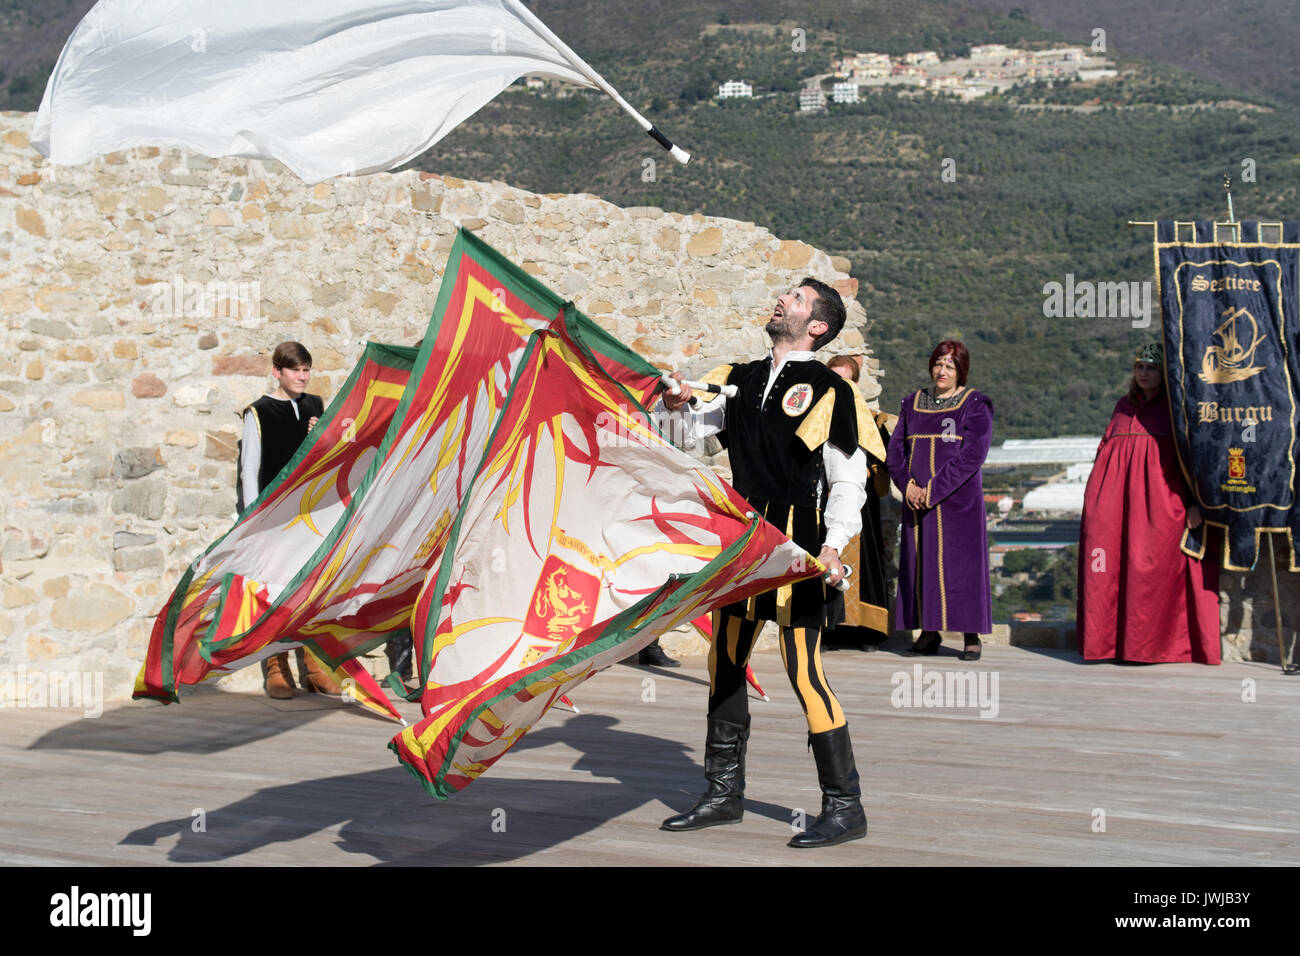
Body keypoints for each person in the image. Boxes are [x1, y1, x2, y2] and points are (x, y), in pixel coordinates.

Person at [656, 277, 870, 848]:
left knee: (805, 672)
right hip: (743, 538)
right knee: (724, 664)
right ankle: (723, 795)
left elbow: (848, 476)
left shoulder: (829, 389)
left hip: (797, 543)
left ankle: (845, 807)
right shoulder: (738, 378)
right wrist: (674, 407)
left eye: (797, 299)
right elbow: (688, 435)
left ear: (817, 326)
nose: (783, 301)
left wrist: (832, 545)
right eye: (786, 295)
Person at [1077, 343, 1220, 663]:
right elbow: (1105, 454)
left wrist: (1196, 502)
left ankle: (1150, 648)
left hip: (1160, 508)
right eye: (1139, 366)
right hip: (1114, 508)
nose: (1143, 372)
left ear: (1164, 373)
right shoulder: (1122, 407)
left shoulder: (1176, 410)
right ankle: (1111, 645)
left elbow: (1193, 461)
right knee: (1108, 572)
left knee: (1148, 574)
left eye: (1151, 367)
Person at [237, 341, 342, 698]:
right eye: (295, 370)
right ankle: (276, 668)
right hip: (272, 520)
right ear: (277, 372)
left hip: (308, 516)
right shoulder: (258, 412)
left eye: (306, 370)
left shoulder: (315, 405)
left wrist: (321, 435)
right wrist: (252, 519)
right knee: (276, 592)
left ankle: (314, 667)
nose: (302, 376)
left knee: (310, 590)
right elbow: (249, 469)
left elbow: (327, 459)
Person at [885, 340, 993, 659]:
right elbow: (895, 453)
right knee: (922, 564)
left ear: (961, 371)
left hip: (959, 503)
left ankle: (971, 636)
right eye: (938, 363)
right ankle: (929, 633)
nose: (942, 370)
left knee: (962, 567)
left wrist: (932, 490)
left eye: (950, 365)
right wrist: (909, 487)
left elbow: (973, 455)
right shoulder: (912, 402)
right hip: (917, 502)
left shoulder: (975, 404)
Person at [823, 355, 892, 651]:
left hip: (861, 503)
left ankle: (868, 632)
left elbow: (883, 460)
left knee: (865, 564)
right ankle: (827, 629)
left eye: (846, 380)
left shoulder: (872, 420)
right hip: (823, 500)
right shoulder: (816, 418)